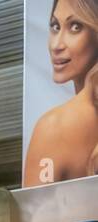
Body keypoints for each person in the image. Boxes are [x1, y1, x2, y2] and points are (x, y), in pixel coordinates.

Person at [24, 0, 98, 185]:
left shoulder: (53, 127)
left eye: (75, 27)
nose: (56, 45)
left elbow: (36, 213)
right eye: (55, 26)